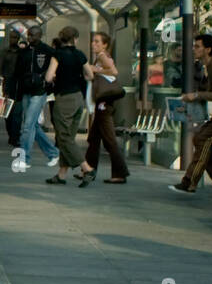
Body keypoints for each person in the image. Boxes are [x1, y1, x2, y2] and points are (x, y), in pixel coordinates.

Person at [169, 33, 212, 196]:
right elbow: (210, 90)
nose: (194, 49)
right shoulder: (208, 65)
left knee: (202, 138)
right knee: (200, 139)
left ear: (208, 49)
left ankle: (189, 182)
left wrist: (197, 96)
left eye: (198, 46)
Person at [75, 31, 129, 185]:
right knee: (93, 139)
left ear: (105, 44)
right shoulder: (99, 57)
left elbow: (113, 71)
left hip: (104, 104)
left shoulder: (102, 56)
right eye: (93, 41)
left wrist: (95, 69)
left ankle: (120, 173)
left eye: (98, 42)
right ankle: (88, 170)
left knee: (109, 140)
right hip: (102, 103)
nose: (94, 44)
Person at [12, 25, 60, 171]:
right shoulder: (24, 52)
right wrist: (16, 93)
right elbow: (18, 73)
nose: (29, 37)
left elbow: (57, 66)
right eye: (28, 35)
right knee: (32, 125)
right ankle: (53, 153)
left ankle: (24, 158)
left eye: (32, 35)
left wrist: (49, 84)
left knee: (27, 126)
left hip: (39, 92)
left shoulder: (48, 51)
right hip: (26, 91)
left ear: (39, 35)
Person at [46, 26, 88, 183]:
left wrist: (58, 76)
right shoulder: (80, 55)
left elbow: (49, 77)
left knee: (63, 137)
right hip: (79, 98)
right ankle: (62, 174)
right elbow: (89, 74)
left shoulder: (58, 55)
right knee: (69, 136)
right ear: (75, 39)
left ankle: (87, 168)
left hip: (64, 98)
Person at [0, 23, 24, 146]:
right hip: (7, 83)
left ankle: (15, 136)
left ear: (18, 39)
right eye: (11, 37)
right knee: (7, 113)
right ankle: (11, 134)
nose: (13, 40)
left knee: (17, 112)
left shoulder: (22, 52)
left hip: (19, 84)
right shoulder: (4, 52)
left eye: (15, 38)